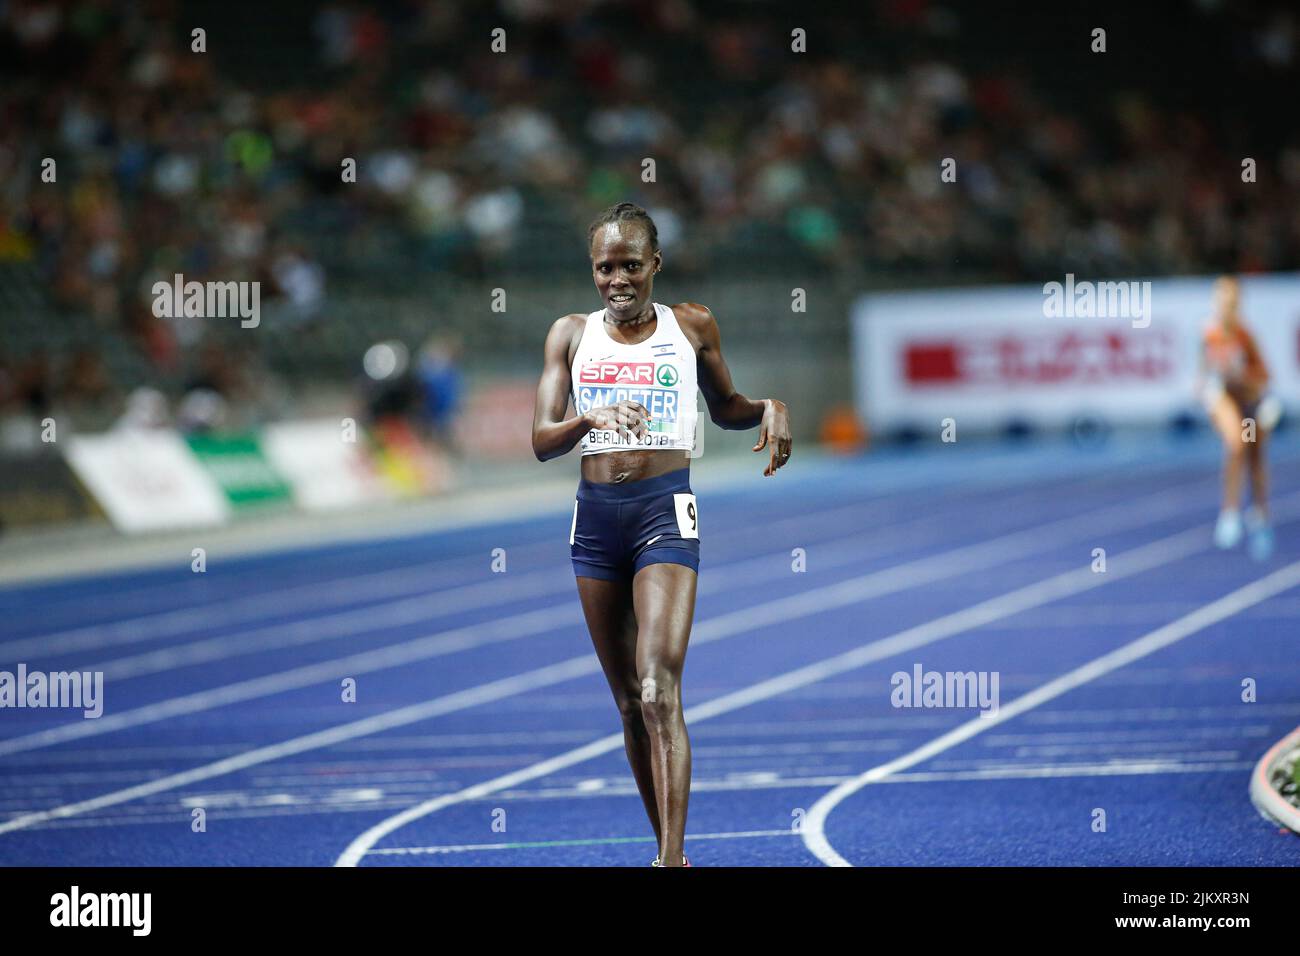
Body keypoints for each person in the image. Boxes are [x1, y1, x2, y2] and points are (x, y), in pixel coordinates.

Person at [531, 202, 792, 866]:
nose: (616, 281)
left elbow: (728, 409)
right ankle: (664, 849)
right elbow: (540, 441)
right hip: (593, 526)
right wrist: (591, 418)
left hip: (663, 515)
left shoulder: (691, 325)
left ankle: (671, 861)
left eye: (629, 266)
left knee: (657, 688)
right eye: (603, 268)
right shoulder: (568, 335)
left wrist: (770, 408)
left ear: (656, 265)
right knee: (626, 702)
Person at [1200, 275, 1278, 560]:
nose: (1225, 308)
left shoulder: (1245, 336)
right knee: (1235, 444)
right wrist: (1205, 388)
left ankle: (1259, 513)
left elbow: (1264, 376)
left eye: (1231, 303)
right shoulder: (1209, 333)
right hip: (1223, 398)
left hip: (1248, 402)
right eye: (1221, 302)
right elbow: (1202, 372)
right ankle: (1230, 512)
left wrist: (1245, 379)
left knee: (1255, 457)